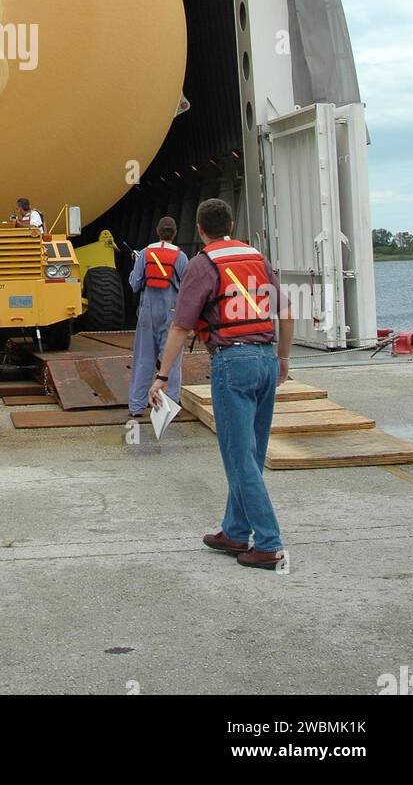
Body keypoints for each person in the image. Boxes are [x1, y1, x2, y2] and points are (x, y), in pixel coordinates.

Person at [149, 198, 293, 571]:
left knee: (237, 457)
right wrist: (283, 360)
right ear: (230, 223)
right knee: (251, 454)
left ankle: (269, 543)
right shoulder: (257, 258)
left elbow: (181, 326)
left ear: (199, 230)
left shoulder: (203, 264)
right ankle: (235, 530)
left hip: (233, 363)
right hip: (264, 358)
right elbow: (287, 312)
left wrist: (162, 377)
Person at [127, 217, 187, 415]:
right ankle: (168, 408)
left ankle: (136, 406)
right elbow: (186, 288)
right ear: (175, 233)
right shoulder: (181, 257)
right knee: (172, 361)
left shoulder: (145, 254)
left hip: (147, 312)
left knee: (143, 359)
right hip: (171, 313)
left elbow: (135, 284)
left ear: (157, 231)